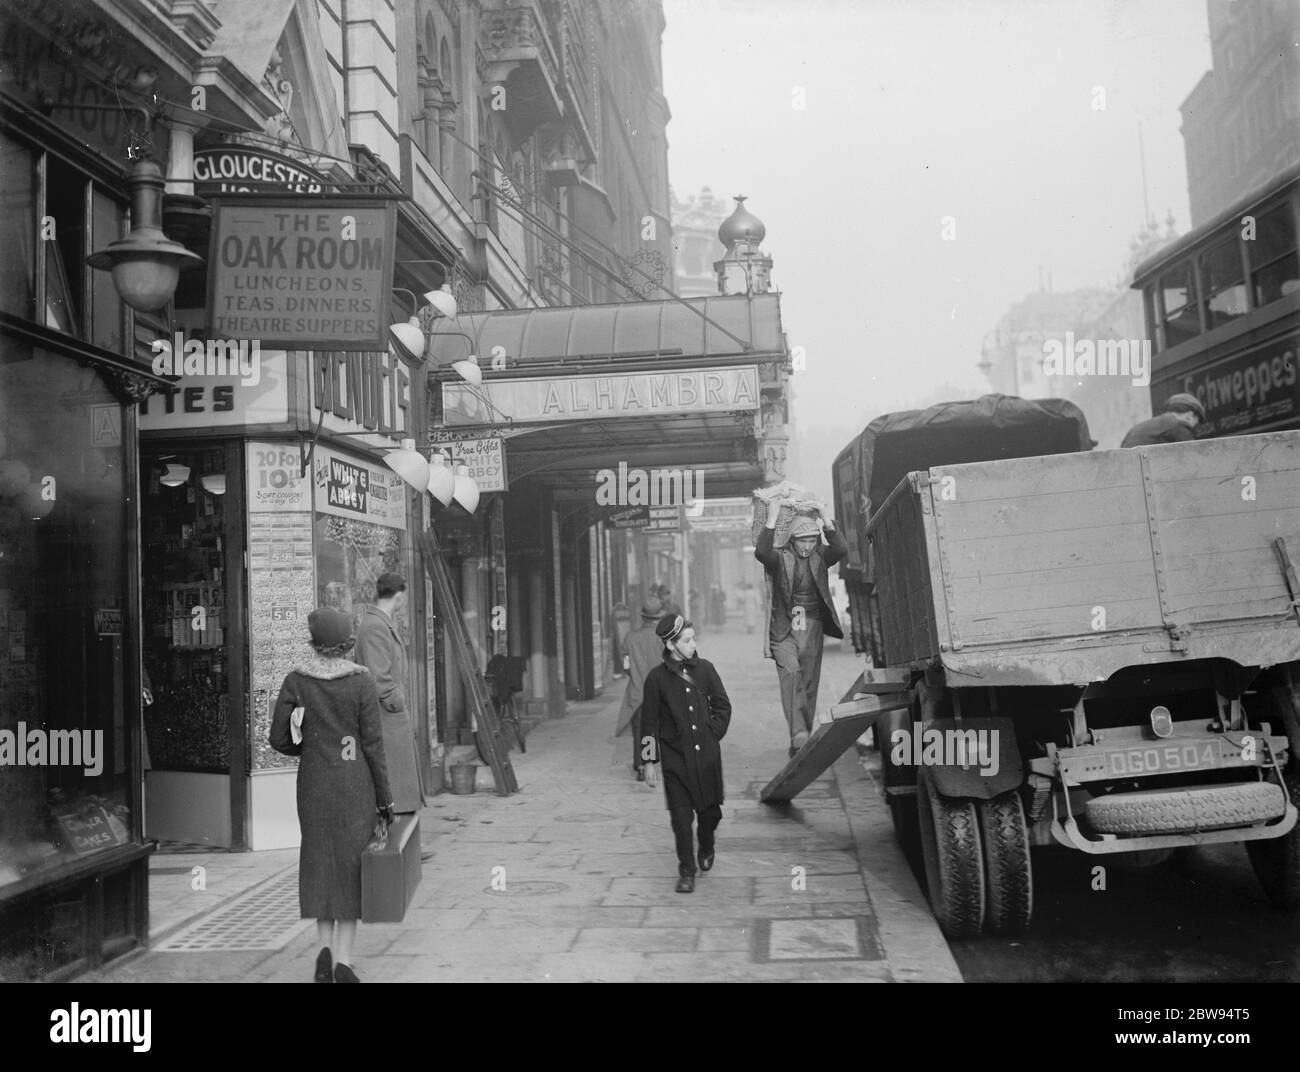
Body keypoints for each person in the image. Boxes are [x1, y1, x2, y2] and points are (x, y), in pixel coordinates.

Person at [270, 608, 394, 984]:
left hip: (314, 786)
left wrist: (307, 750)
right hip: (356, 786)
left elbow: (278, 738)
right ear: (346, 643)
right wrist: (384, 800)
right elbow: (373, 745)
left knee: (320, 863)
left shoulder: (296, 681)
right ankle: (344, 960)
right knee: (351, 869)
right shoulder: (361, 682)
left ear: (314, 642)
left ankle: (322, 953)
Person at [641, 615, 732, 894]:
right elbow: (648, 723)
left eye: (693, 638)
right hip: (676, 761)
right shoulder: (656, 679)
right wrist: (648, 762)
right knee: (681, 821)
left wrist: (712, 732)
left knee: (710, 815)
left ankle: (706, 843)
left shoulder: (705, 669)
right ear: (671, 645)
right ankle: (686, 871)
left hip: (706, 759)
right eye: (686, 640)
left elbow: (723, 706)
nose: (693, 644)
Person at [754, 499, 848, 757]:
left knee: (808, 682)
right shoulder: (779, 559)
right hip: (784, 630)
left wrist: (823, 514)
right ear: (791, 541)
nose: (806, 546)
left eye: (811, 540)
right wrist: (772, 518)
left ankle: (801, 736)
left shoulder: (820, 557)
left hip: (813, 626)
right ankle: (798, 734)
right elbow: (762, 552)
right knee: (792, 673)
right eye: (801, 541)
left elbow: (840, 548)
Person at [354, 572, 424, 811]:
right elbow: (378, 677)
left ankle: (405, 841)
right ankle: (398, 839)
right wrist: (398, 701)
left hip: (388, 715)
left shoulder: (378, 622)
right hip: (386, 716)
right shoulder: (375, 626)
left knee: (398, 783)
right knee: (395, 784)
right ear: (400, 597)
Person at [616, 596, 664, 780]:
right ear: (658, 616)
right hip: (659, 692)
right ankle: (649, 760)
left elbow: (626, 666)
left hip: (637, 691)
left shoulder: (630, 638)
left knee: (639, 729)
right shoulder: (662, 638)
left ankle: (641, 765)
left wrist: (636, 675)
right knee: (653, 730)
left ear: (643, 616)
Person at [1120, 392, 1205, 447]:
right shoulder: (1178, 427)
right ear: (1190, 415)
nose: (1195, 426)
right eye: (1196, 422)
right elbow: (1193, 457)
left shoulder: (1136, 428)